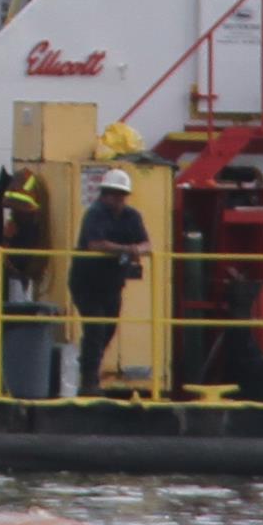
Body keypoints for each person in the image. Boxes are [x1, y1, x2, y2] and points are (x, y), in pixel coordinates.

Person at [70, 167, 152, 391]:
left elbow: (147, 244)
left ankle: (88, 364)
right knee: (96, 329)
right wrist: (128, 249)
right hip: (86, 283)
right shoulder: (95, 214)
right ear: (104, 194)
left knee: (108, 329)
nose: (118, 200)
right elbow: (95, 244)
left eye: (121, 196)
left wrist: (137, 248)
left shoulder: (131, 216)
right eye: (114, 195)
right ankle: (89, 381)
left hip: (111, 284)